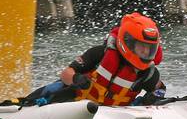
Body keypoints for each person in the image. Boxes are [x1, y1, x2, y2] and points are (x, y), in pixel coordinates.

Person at [24, 12, 165, 108]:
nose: (146, 52)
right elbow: (65, 74)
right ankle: (21, 104)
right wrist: (76, 79)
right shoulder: (99, 53)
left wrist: (152, 97)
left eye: (150, 48)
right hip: (73, 104)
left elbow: (160, 90)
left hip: (114, 113)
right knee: (55, 87)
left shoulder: (148, 73)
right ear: (127, 42)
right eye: (142, 47)